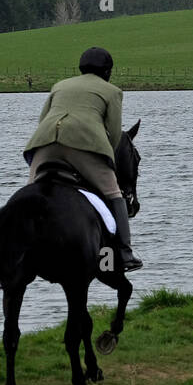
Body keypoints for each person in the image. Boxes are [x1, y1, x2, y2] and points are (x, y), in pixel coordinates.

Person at [23, 47, 141, 272]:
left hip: (45, 142)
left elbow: (42, 119)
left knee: (29, 193)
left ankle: (17, 248)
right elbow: (115, 134)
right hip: (83, 144)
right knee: (114, 193)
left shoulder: (60, 85)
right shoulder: (112, 91)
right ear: (107, 71)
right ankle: (125, 252)